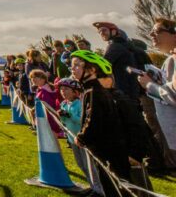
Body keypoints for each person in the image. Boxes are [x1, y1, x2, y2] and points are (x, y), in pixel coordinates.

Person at [71, 50, 131, 194]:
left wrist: (82, 137)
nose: (72, 69)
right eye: (71, 66)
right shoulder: (89, 90)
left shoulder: (94, 91)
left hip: (110, 149)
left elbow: (93, 119)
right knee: (110, 184)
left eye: (77, 65)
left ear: (91, 70)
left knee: (115, 186)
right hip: (107, 148)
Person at [138, 17, 176, 164]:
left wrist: (149, 85)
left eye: (157, 31)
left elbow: (173, 95)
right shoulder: (170, 59)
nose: (151, 35)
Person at [57, 77, 103, 195]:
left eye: (66, 89)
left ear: (75, 91)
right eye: (61, 89)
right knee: (81, 164)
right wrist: (61, 116)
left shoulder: (79, 104)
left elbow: (81, 121)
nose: (63, 91)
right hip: (72, 140)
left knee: (90, 166)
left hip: (82, 140)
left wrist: (69, 115)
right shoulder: (64, 104)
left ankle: (99, 189)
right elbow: (65, 122)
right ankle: (92, 186)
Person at [93, 22, 140, 101]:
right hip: (131, 88)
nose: (101, 33)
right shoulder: (124, 45)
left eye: (104, 30)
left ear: (114, 31)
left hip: (123, 89)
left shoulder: (115, 46)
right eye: (99, 32)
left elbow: (103, 65)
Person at [29, 69, 62, 135]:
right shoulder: (42, 89)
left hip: (48, 120)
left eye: (35, 77)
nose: (33, 79)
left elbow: (48, 107)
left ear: (43, 79)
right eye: (32, 78)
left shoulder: (45, 91)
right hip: (45, 119)